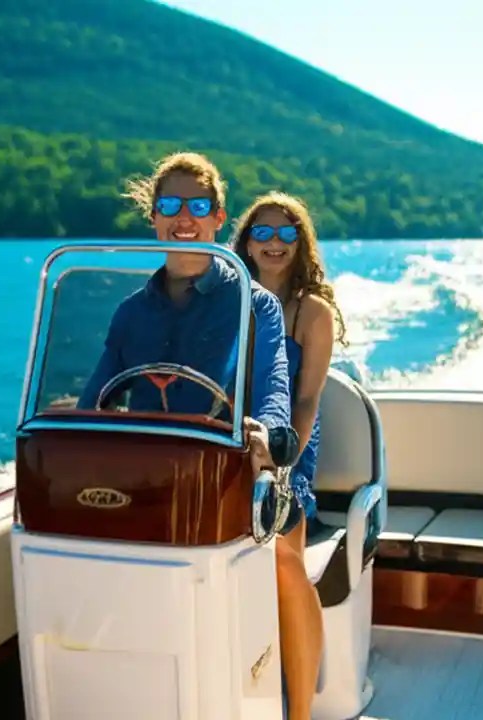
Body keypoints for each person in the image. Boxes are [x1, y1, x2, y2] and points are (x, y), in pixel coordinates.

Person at [76, 153, 323, 720]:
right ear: (154, 217)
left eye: (197, 205)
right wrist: (76, 425)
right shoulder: (129, 313)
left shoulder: (255, 304)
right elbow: (96, 397)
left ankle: (301, 712)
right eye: (169, 204)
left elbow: (275, 390)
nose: (182, 216)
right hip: (152, 484)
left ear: (217, 217)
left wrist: (269, 435)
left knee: (283, 563)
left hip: (234, 478)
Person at [233, 192, 348, 539]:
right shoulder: (226, 302)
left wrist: (281, 463)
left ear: (300, 244)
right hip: (235, 431)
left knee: (271, 522)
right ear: (248, 243)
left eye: (286, 234)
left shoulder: (312, 312)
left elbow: (307, 399)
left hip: (288, 438)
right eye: (263, 233)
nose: (275, 243)